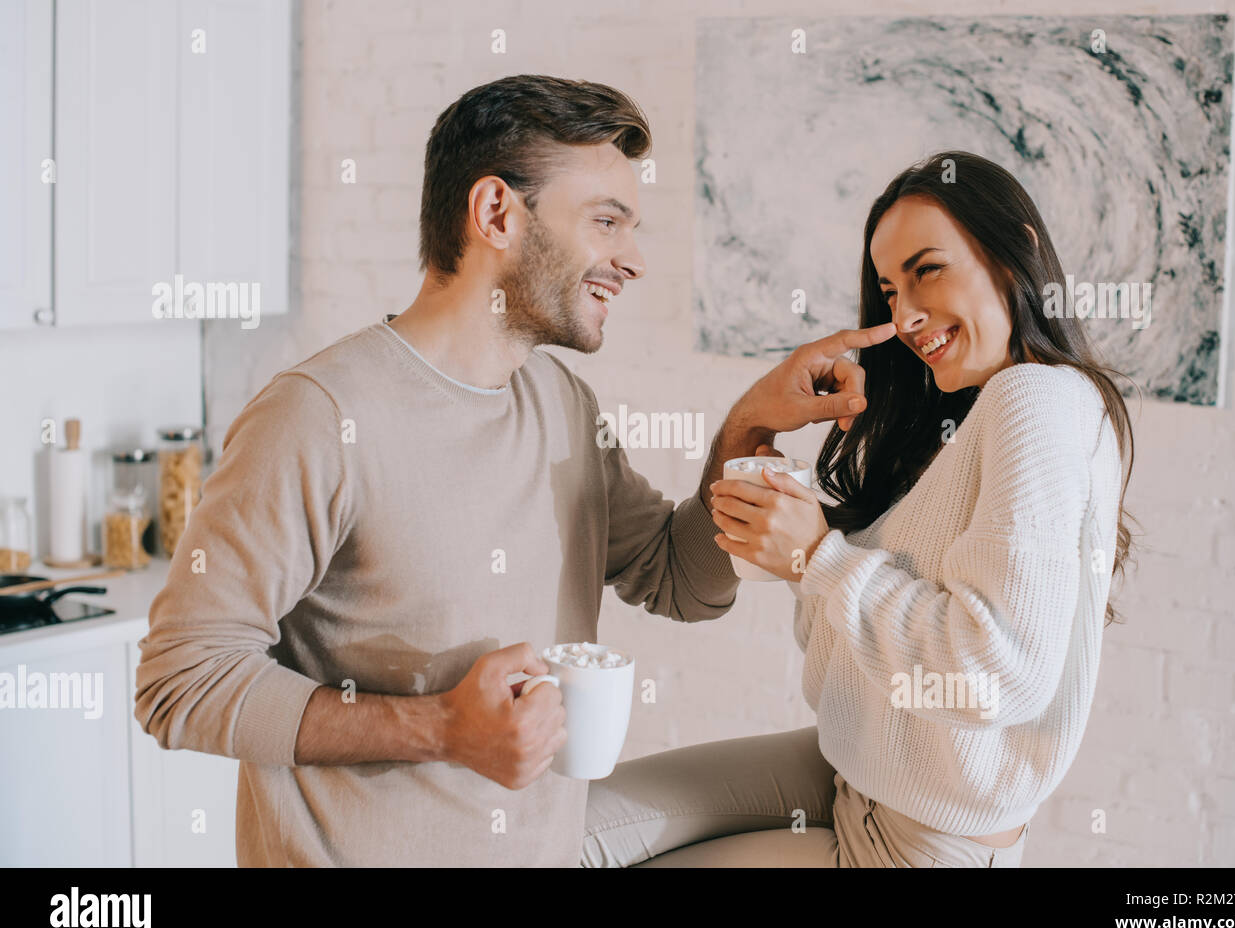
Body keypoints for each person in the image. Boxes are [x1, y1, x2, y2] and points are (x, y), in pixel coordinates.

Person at [133, 74, 880, 867]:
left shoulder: (560, 404)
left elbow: (678, 581)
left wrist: (750, 419)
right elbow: (181, 680)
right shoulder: (318, 417)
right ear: (496, 214)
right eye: (606, 222)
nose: (632, 260)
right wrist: (442, 729)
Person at [582, 150, 1139, 868]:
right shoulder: (957, 423)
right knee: (569, 827)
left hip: (913, 840)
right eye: (888, 288)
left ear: (1016, 251)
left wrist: (819, 558)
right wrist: (797, 541)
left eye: (927, 269)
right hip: (852, 770)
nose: (905, 314)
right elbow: (840, 654)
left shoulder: (1038, 398)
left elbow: (997, 671)